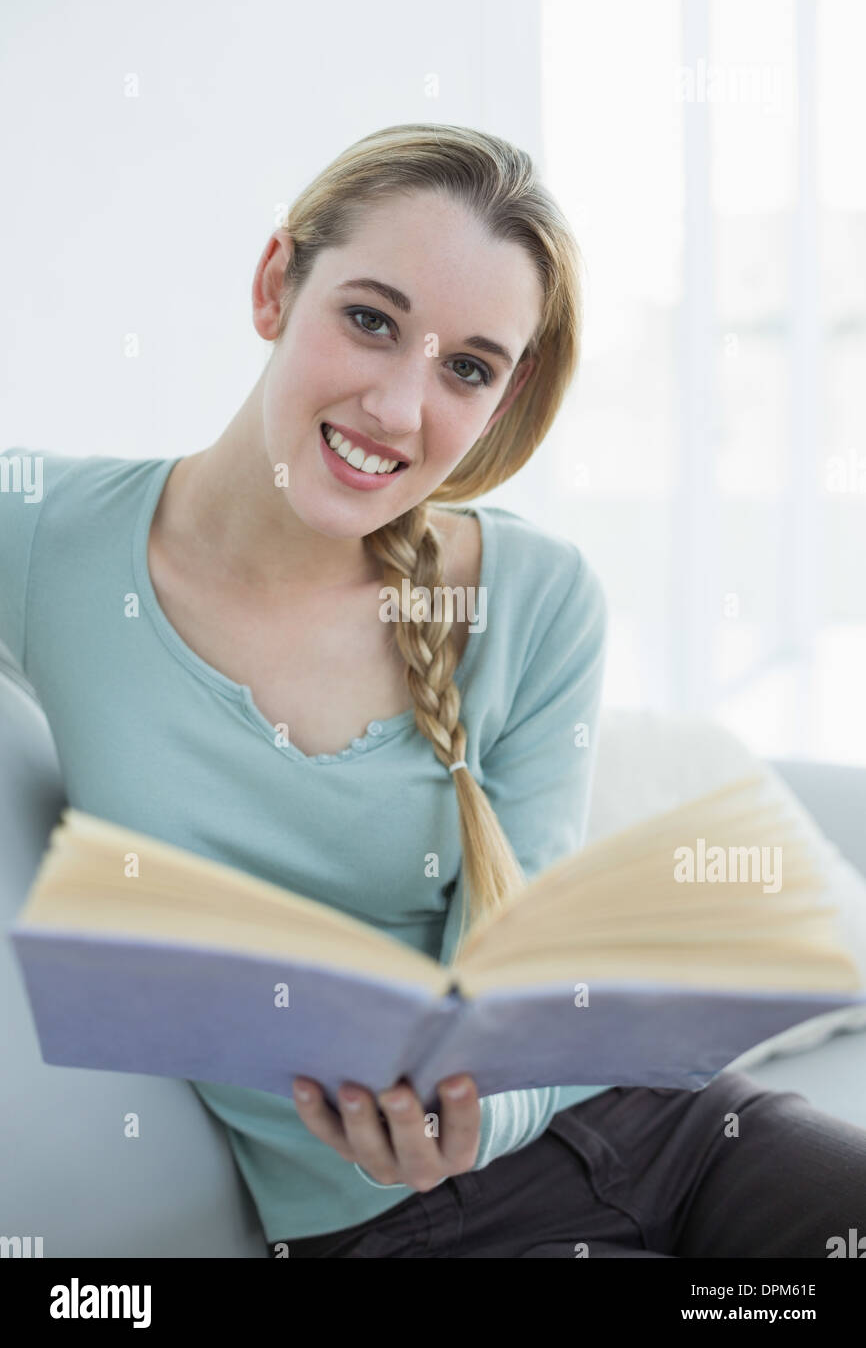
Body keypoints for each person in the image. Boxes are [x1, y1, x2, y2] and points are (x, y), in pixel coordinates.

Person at [2, 123, 865, 1259]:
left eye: (466, 366)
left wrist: (452, 1118)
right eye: (370, 319)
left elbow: (522, 972)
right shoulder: (46, 539)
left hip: (677, 1131)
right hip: (390, 1236)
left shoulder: (537, 598)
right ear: (275, 286)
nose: (398, 409)